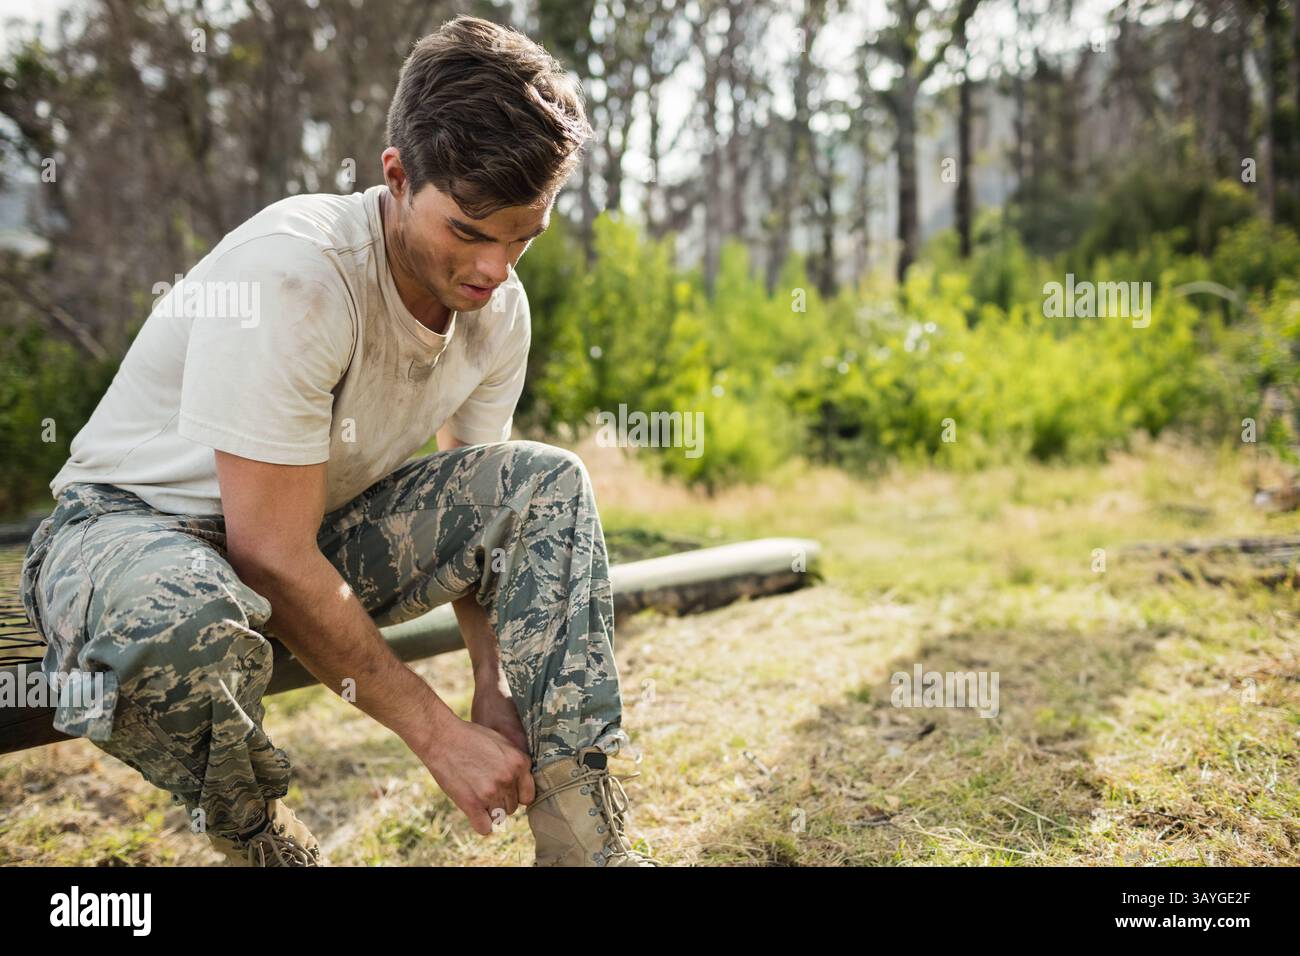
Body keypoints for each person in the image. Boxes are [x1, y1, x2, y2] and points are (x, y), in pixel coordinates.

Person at [18, 14, 657, 868]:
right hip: (128, 533)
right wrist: (441, 738)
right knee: (187, 620)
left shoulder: (496, 307)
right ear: (396, 176)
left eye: (523, 237)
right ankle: (258, 839)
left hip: (306, 530)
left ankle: (585, 845)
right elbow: (270, 553)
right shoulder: (298, 274)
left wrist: (491, 688)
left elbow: (488, 514)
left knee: (545, 485)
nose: (494, 268)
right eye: (468, 231)